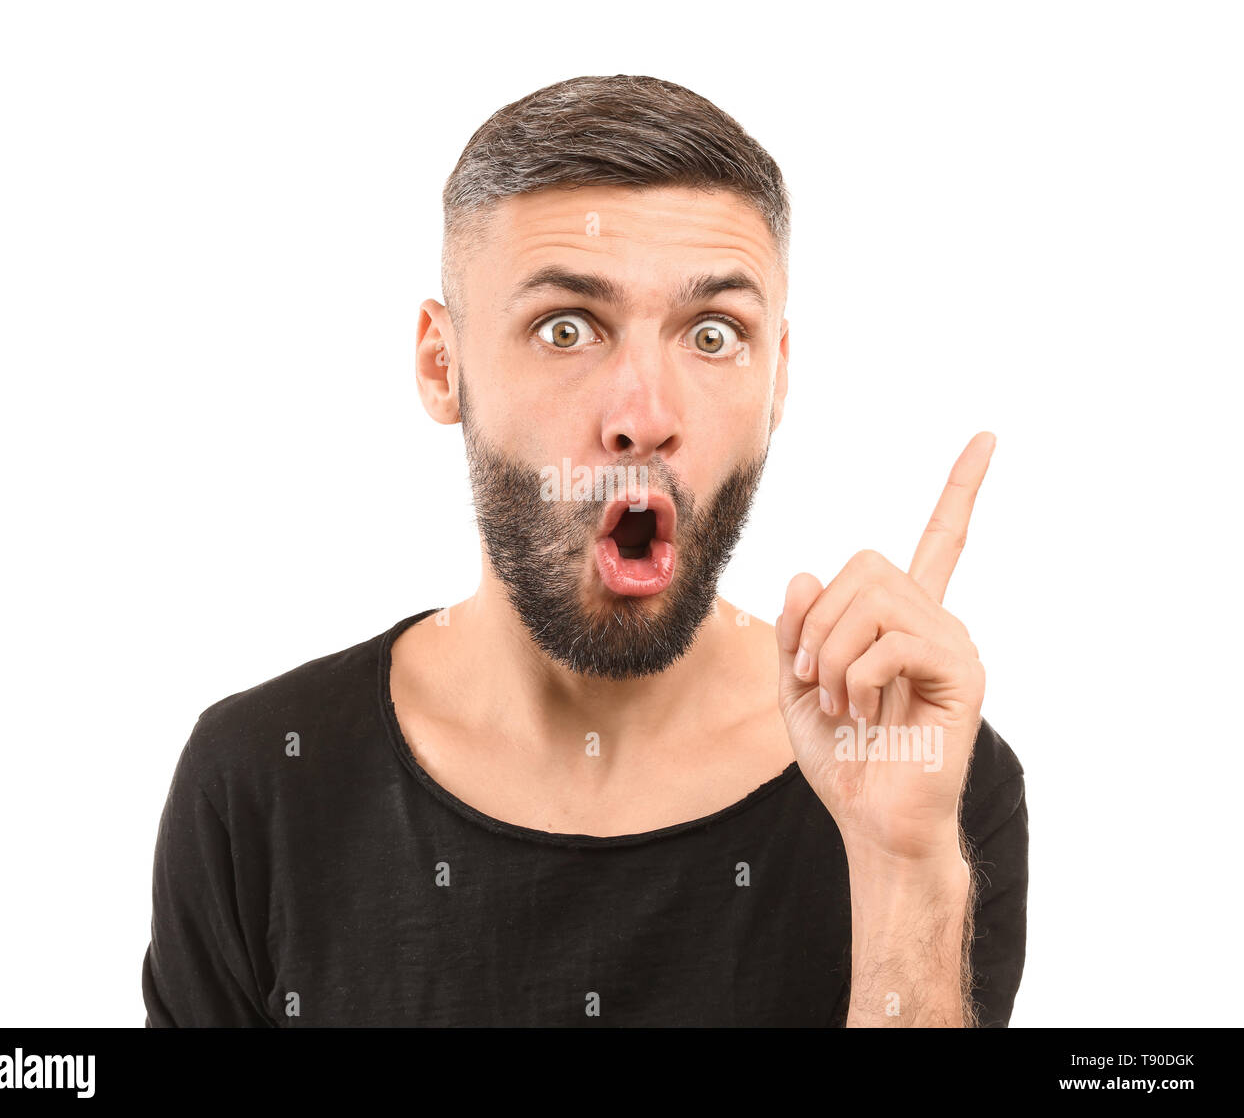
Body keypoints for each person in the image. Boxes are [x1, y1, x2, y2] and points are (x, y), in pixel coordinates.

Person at [142, 73, 1027, 1028]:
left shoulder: (928, 777)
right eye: (567, 329)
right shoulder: (264, 779)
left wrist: (903, 873)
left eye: (714, 333)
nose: (645, 417)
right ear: (443, 365)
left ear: (778, 380)